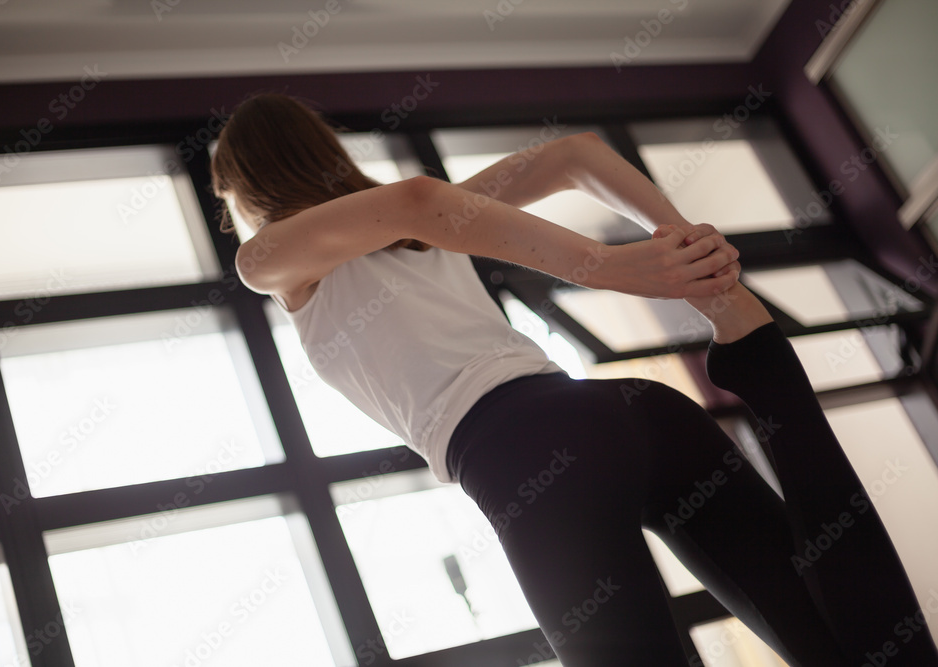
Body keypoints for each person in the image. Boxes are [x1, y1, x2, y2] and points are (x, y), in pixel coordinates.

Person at [210, 92, 938, 666]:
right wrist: (691, 255)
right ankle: (753, 348)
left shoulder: (269, 260)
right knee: (844, 639)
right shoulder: (432, 228)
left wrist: (614, 267)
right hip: (630, 412)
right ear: (323, 147)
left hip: (521, 453)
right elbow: (575, 156)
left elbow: (419, 199)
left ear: (237, 188)